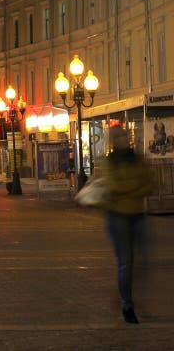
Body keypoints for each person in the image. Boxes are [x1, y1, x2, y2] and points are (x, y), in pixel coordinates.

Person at [100, 125, 154, 324]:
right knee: (126, 262)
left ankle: (126, 292)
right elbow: (112, 186)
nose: (123, 138)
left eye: (124, 135)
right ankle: (127, 304)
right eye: (119, 136)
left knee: (144, 261)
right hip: (117, 217)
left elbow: (150, 184)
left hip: (138, 215)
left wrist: (126, 190)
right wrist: (136, 188)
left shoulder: (139, 159)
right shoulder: (108, 162)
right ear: (113, 141)